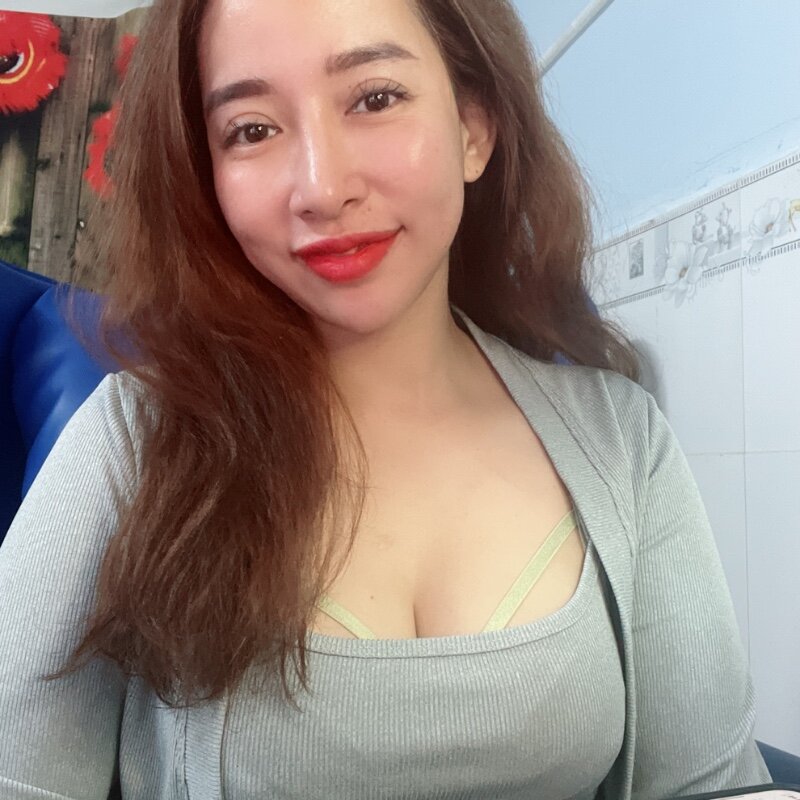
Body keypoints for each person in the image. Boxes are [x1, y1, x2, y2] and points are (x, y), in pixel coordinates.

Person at [0, 1, 772, 798]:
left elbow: (712, 785)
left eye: (375, 98)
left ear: (474, 128)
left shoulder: (622, 441)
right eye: (252, 130)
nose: (322, 188)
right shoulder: (130, 444)